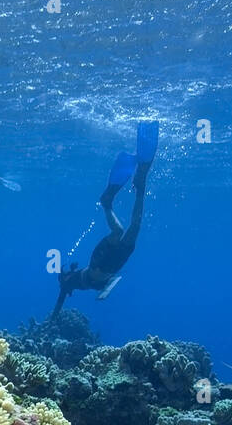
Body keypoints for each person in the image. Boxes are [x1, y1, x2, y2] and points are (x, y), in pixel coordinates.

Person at [51, 122, 157, 317]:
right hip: (114, 265)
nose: (64, 279)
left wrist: (53, 318)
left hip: (98, 262)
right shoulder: (66, 287)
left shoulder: (67, 283)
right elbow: (59, 304)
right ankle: (140, 186)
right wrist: (53, 318)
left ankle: (106, 203)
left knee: (118, 232)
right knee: (135, 227)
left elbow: (58, 305)